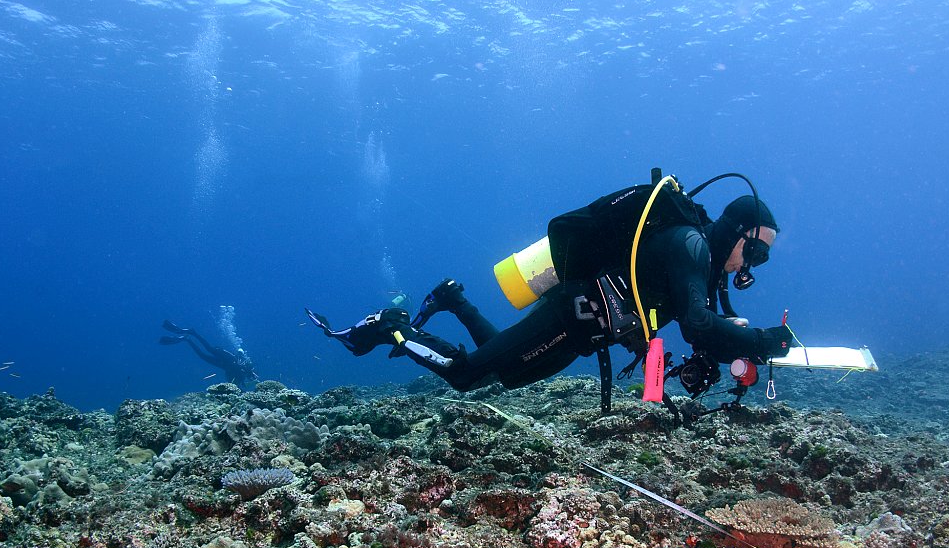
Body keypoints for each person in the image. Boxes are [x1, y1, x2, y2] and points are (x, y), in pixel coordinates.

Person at [306, 174, 793, 409]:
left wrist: (740, 344)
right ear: (736, 231)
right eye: (755, 251)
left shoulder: (704, 264)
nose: (752, 265)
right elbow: (697, 325)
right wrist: (761, 342)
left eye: (762, 258)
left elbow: (699, 328)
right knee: (467, 375)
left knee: (505, 373)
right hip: (569, 316)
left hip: (583, 333)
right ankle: (392, 326)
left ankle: (455, 300)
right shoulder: (691, 245)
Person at [159, 320, 257, 386]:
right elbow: (240, 359)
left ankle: (187, 339)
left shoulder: (242, 377)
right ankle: (193, 333)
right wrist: (249, 373)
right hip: (227, 358)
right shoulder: (247, 368)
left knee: (202, 356)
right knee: (208, 349)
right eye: (252, 377)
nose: (251, 379)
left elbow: (231, 381)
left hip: (222, 364)